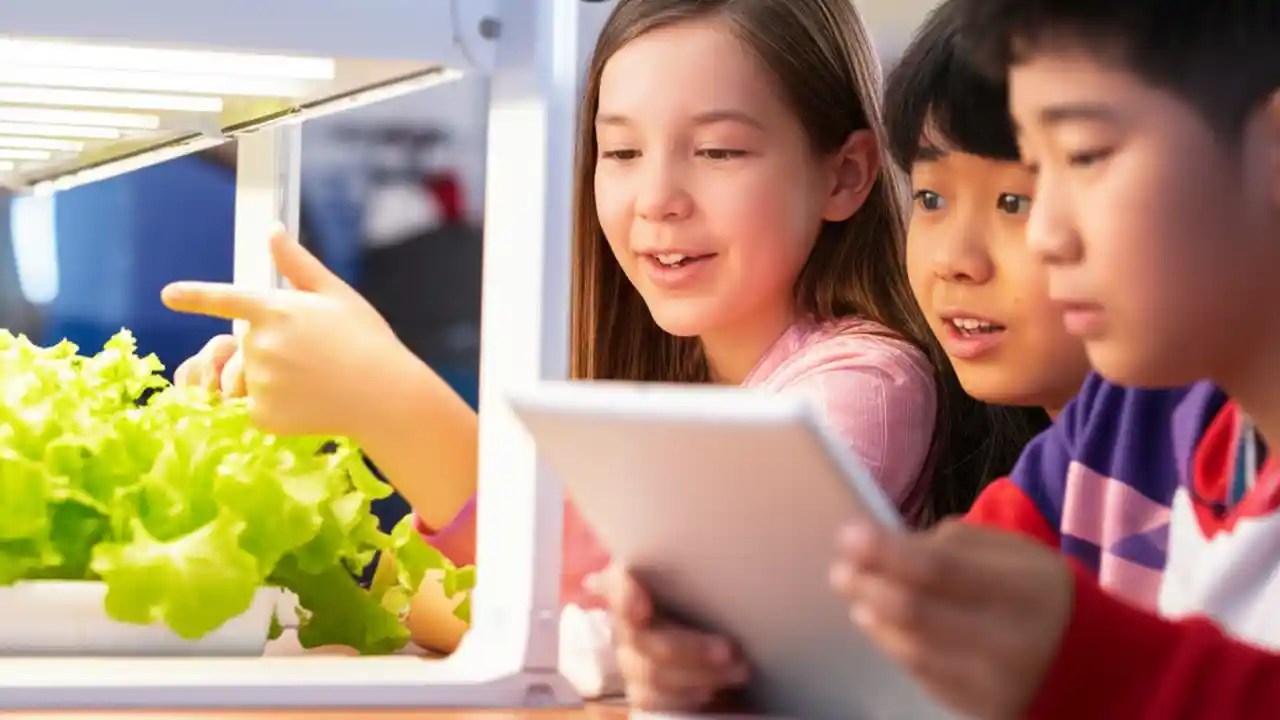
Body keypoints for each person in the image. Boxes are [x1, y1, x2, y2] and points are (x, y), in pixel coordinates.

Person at [160, 0, 1006, 693]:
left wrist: (390, 401)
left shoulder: (866, 386)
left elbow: (657, 623)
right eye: (622, 151)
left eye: (717, 150)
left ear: (845, 176)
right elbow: (443, 596)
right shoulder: (654, 382)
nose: (657, 198)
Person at [831, 1, 1280, 718]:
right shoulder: (1117, 411)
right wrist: (735, 658)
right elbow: (916, 627)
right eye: (1038, 173)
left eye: (1084, 157)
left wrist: (1087, 663)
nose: (1044, 234)